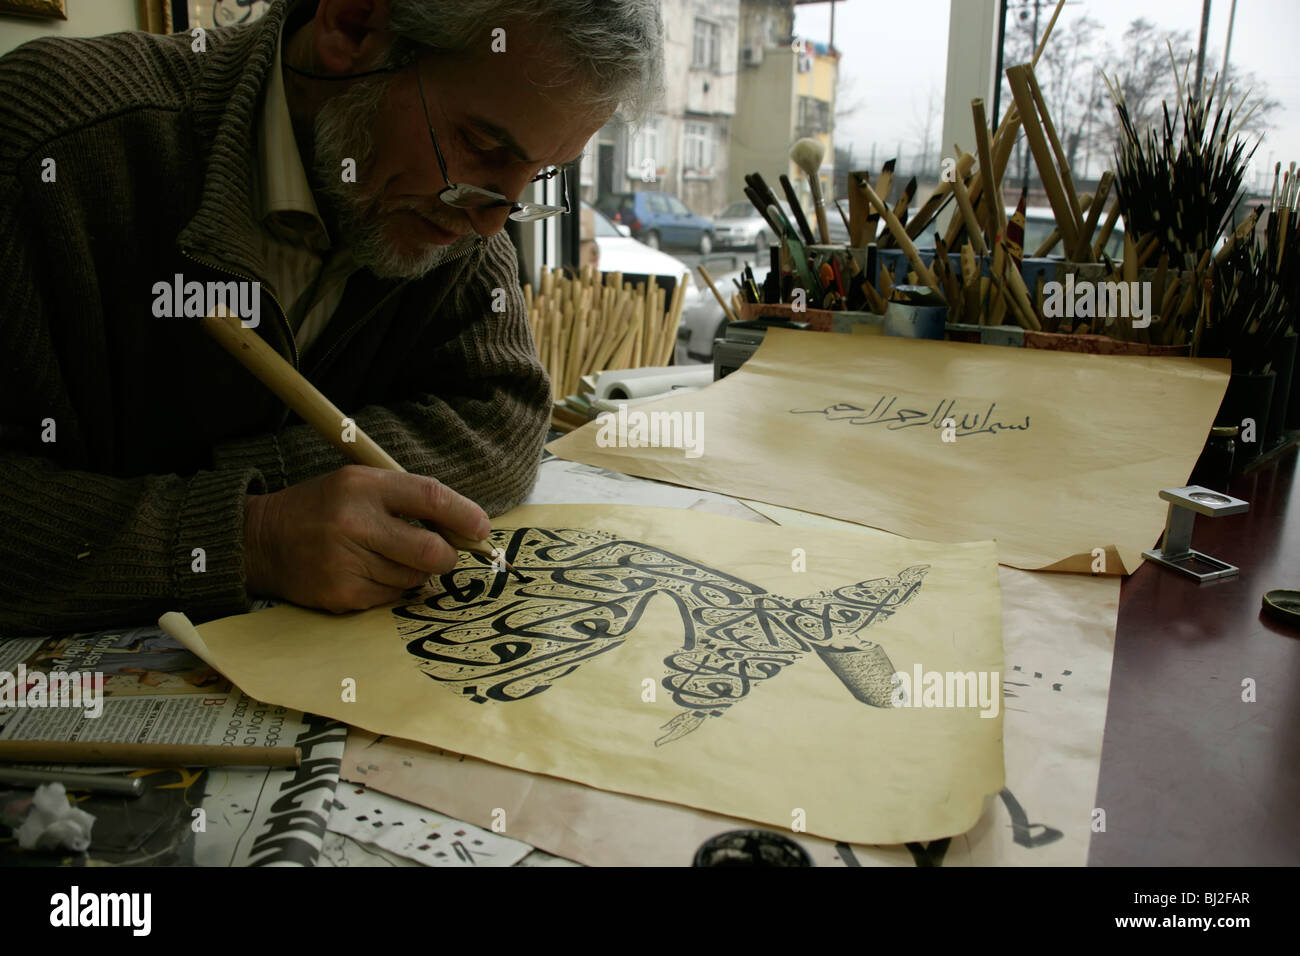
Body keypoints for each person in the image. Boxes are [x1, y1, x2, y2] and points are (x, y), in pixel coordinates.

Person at [0, 0, 664, 635]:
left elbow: (505, 413)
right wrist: (246, 534)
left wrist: (289, 494)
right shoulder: (45, 140)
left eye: (539, 174)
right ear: (352, 25)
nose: (492, 221)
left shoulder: (457, 208)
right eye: (482, 142)